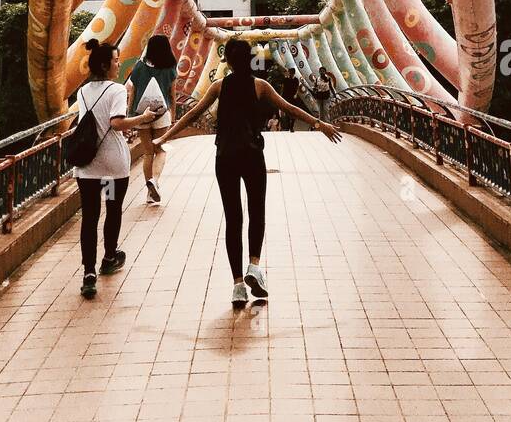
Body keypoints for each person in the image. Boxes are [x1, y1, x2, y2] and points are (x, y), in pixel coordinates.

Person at [155, 38, 342, 307]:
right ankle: (254, 266)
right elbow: (289, 107)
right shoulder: (260, 86)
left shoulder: (219, 86)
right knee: (257, 211)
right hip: (252, 154)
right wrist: (318, 123)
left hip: (225, 157)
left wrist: (165, 138)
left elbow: (193, 113)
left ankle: (237, 286)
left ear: (228, 61)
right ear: (251, 59)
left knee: (233, 219)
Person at [73, 39, 159, 300]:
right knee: (112, 210)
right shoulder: (117, 90)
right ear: (104, 64)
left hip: (87, 167)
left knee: (89, 217)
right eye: (116, 60)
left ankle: (89, 273)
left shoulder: (83, 91)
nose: (119, 64)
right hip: (112, 165)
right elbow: (117, 123)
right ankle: (109, 256)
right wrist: (143, 119)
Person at [126, 34, 178, 204]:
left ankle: (149, 193)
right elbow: (172, 94)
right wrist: (174, 116)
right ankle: (154, 180)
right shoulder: (170, 68)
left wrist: (130, 114)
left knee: (148, 153)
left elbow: (133, 92)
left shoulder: (139, 67)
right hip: (162, 114)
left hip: (142, 114)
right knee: (161, 150)